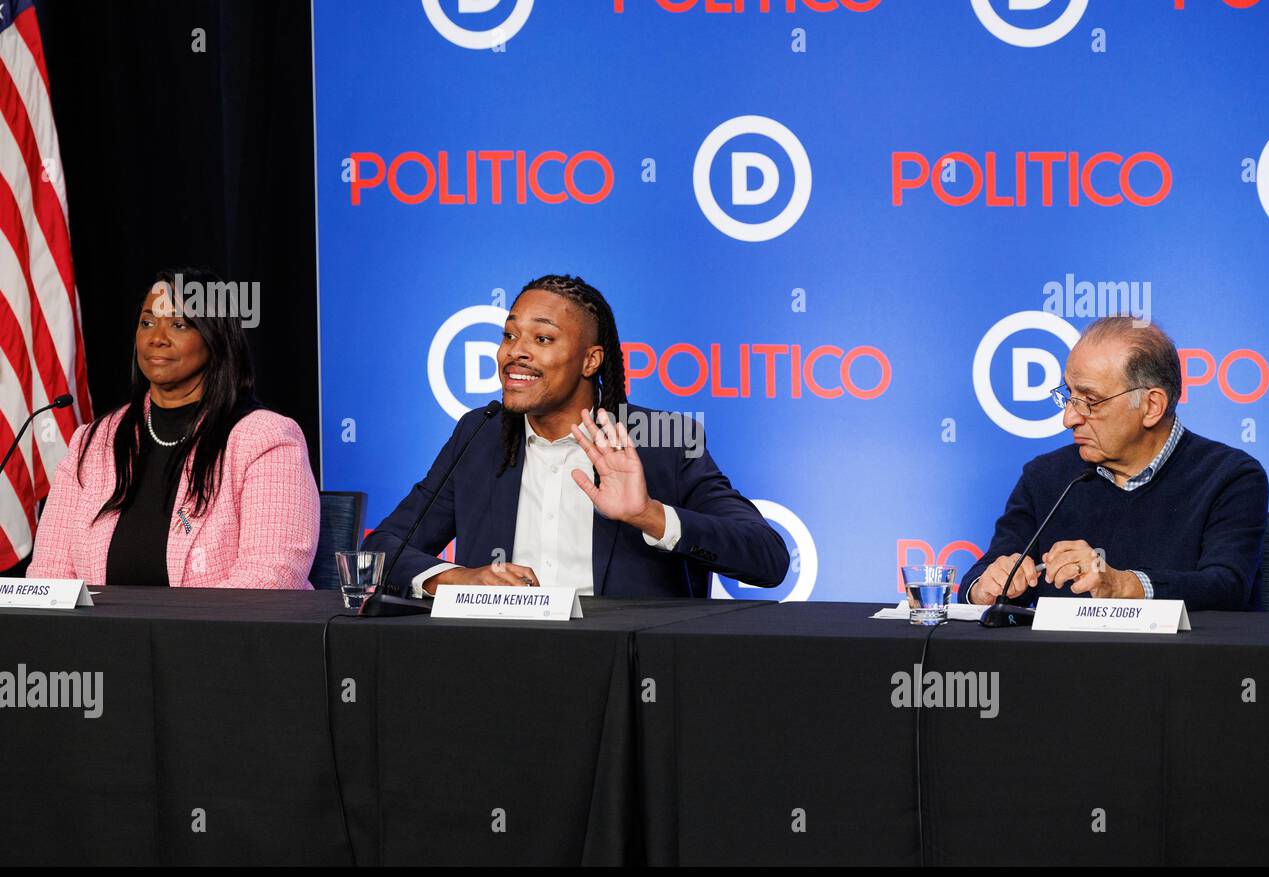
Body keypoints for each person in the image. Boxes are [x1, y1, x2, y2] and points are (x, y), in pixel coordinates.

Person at [365, 274, 789, 599]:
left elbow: (768, 559)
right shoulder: (480, 435)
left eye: (543, 338)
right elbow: (380, 552)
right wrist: (458, 579)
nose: (515, 352)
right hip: (496, 666)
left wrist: (648, 515)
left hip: (627, 675)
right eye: (509, 335)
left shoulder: (663, 440)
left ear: (590, 360)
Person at [27, 268, 319, 588]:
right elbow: (48, 575)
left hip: (214, 637)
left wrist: (175, 635)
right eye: (147, 323)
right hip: (100, 636)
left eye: (178, 325)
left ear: (215, 337)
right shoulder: (94, 443)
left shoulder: (265, 440)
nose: (157, 338)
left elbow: (271, 576)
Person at [962, 316, 1268, 612]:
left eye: (1090, 401)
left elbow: (1227, 587)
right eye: (1070, 395)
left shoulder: (1231, 477)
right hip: (1060, 662)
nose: (1069, 418)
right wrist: (986, 586)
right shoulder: (1046, 477)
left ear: (1151, 406)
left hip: (1181, 662)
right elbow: (983, 575)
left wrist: (1125, 586)